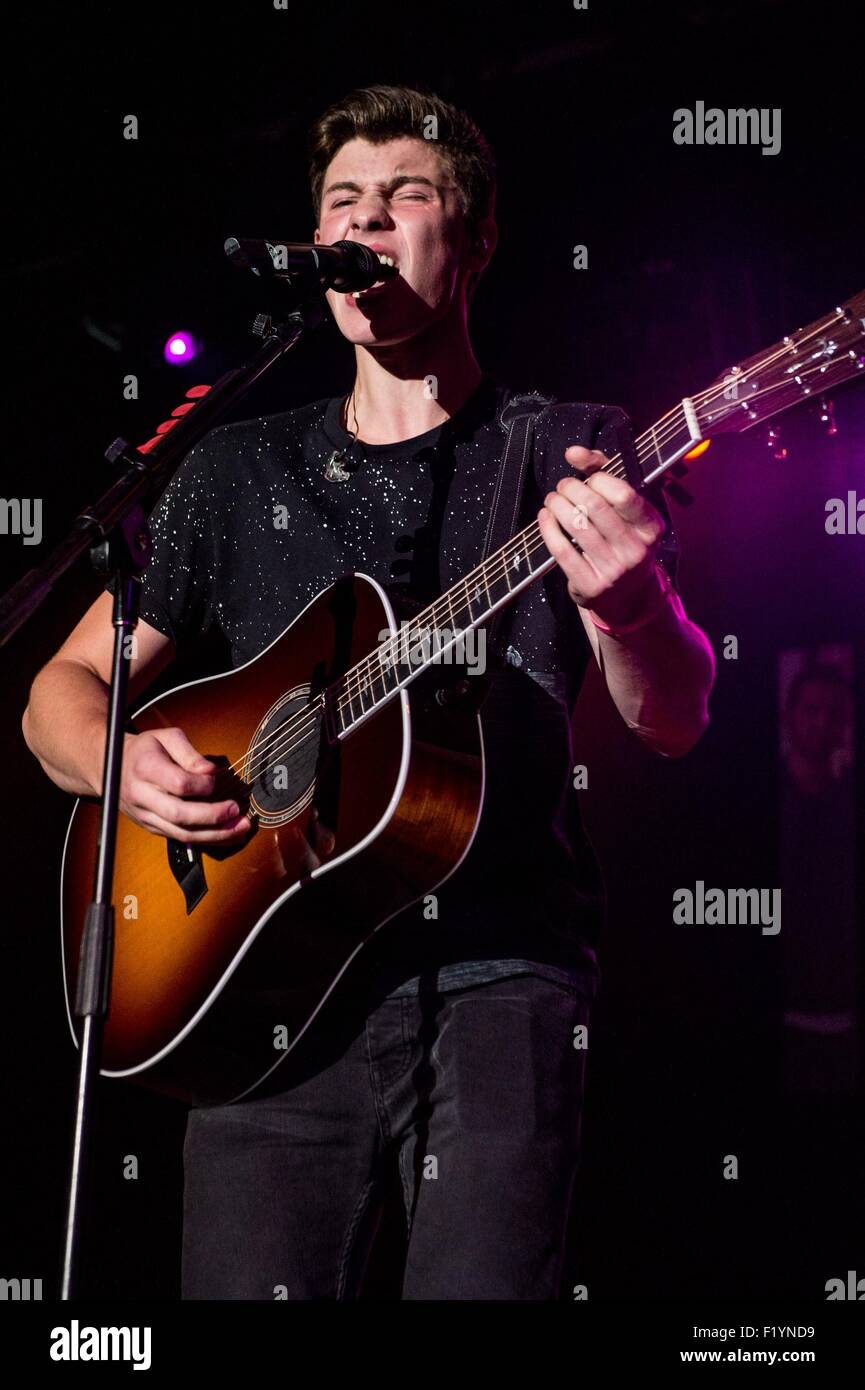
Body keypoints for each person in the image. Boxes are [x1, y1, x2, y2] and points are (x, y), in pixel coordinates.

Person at [22, 84, 715, 1299]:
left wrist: (629, 606)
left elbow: (672, 717)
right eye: (344, 202)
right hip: (261, 983)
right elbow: (61, 689)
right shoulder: (235, 469)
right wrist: (122, 759)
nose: (368, 221)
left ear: (477, 240)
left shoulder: (566, 448)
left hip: (502, 976)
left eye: (407, 197)